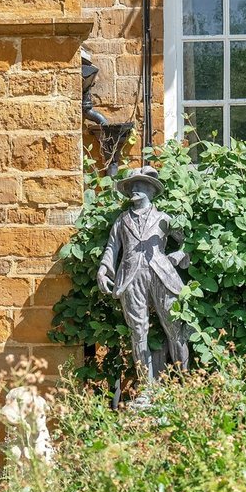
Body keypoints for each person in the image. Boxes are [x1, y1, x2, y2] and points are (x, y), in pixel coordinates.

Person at [96, 167, 190, 404]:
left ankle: (186, 386)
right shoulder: (122, 220)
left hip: (162, 275)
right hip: (131, 277)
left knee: (175, 329)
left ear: (150, 190)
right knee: (138, 333)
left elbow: (188, 244)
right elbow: (112, 248)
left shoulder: (164, 219)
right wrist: (104, 269)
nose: (134, 190)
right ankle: (147, 389)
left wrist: (179, 256)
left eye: (139, 185)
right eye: (131, 186)